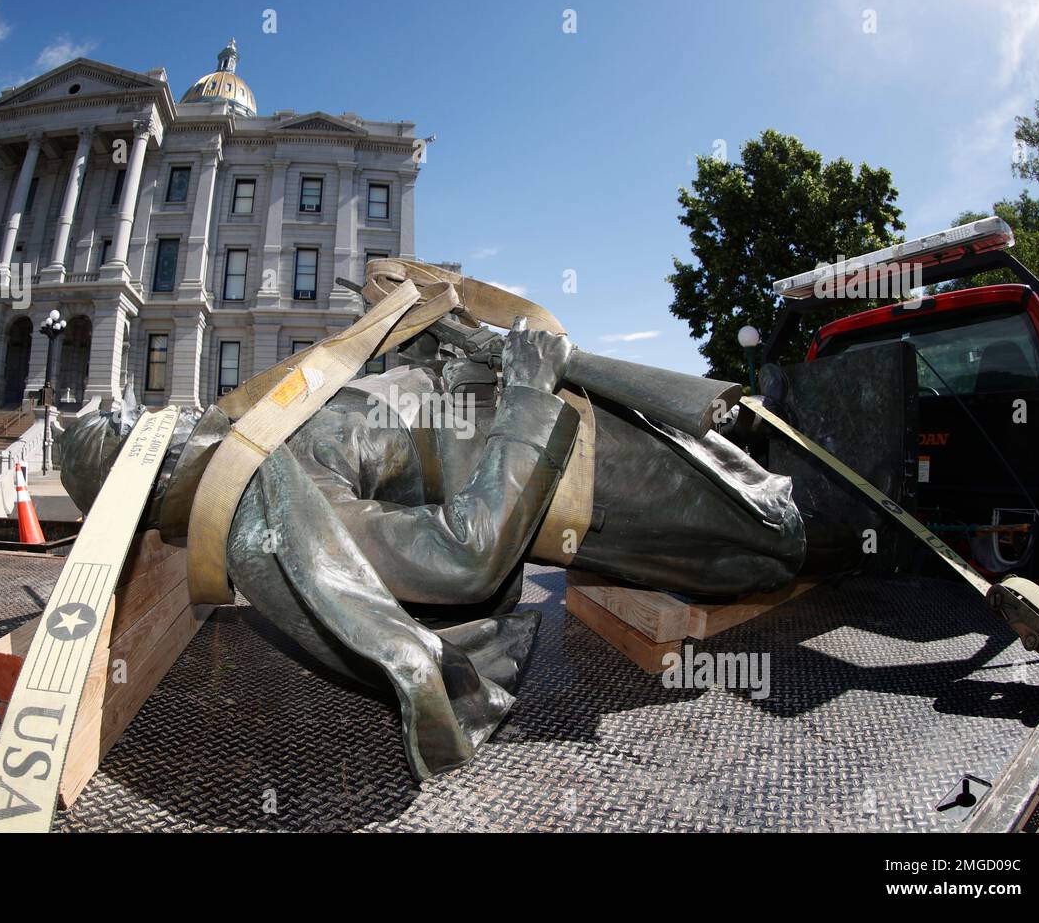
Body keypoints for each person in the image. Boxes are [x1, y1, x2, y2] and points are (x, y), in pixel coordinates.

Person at [59, 320, 805, 779]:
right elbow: (464, 556)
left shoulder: (259, 439)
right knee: (781, 531)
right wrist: (526, 392)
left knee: (766, 492)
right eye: (138, 419)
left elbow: (384, 416)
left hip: (544, 417)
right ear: (149, 458)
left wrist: (432, 338)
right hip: (576, 470)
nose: (169, 411)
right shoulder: (274, 500)